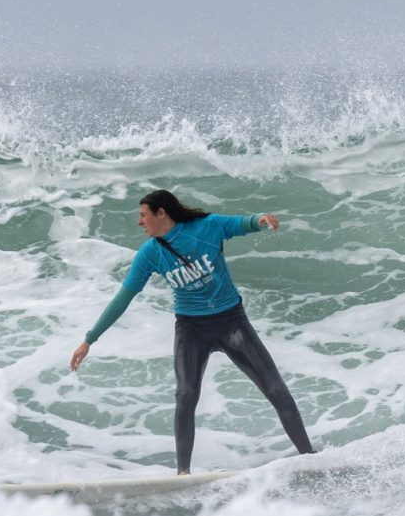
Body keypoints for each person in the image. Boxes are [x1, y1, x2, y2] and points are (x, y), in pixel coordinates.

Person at [70, 189, 316, 474]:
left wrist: (261, 219)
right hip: (191, 329)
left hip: (231, 322)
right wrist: (89, 339)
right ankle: (182, 474)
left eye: (142, 215)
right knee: (185, 395)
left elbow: (239, 224)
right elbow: (123, 298)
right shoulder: (150, 253)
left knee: (275, 389)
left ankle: (311, 459)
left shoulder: (206, 227)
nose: (140, 222)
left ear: (161, 213)